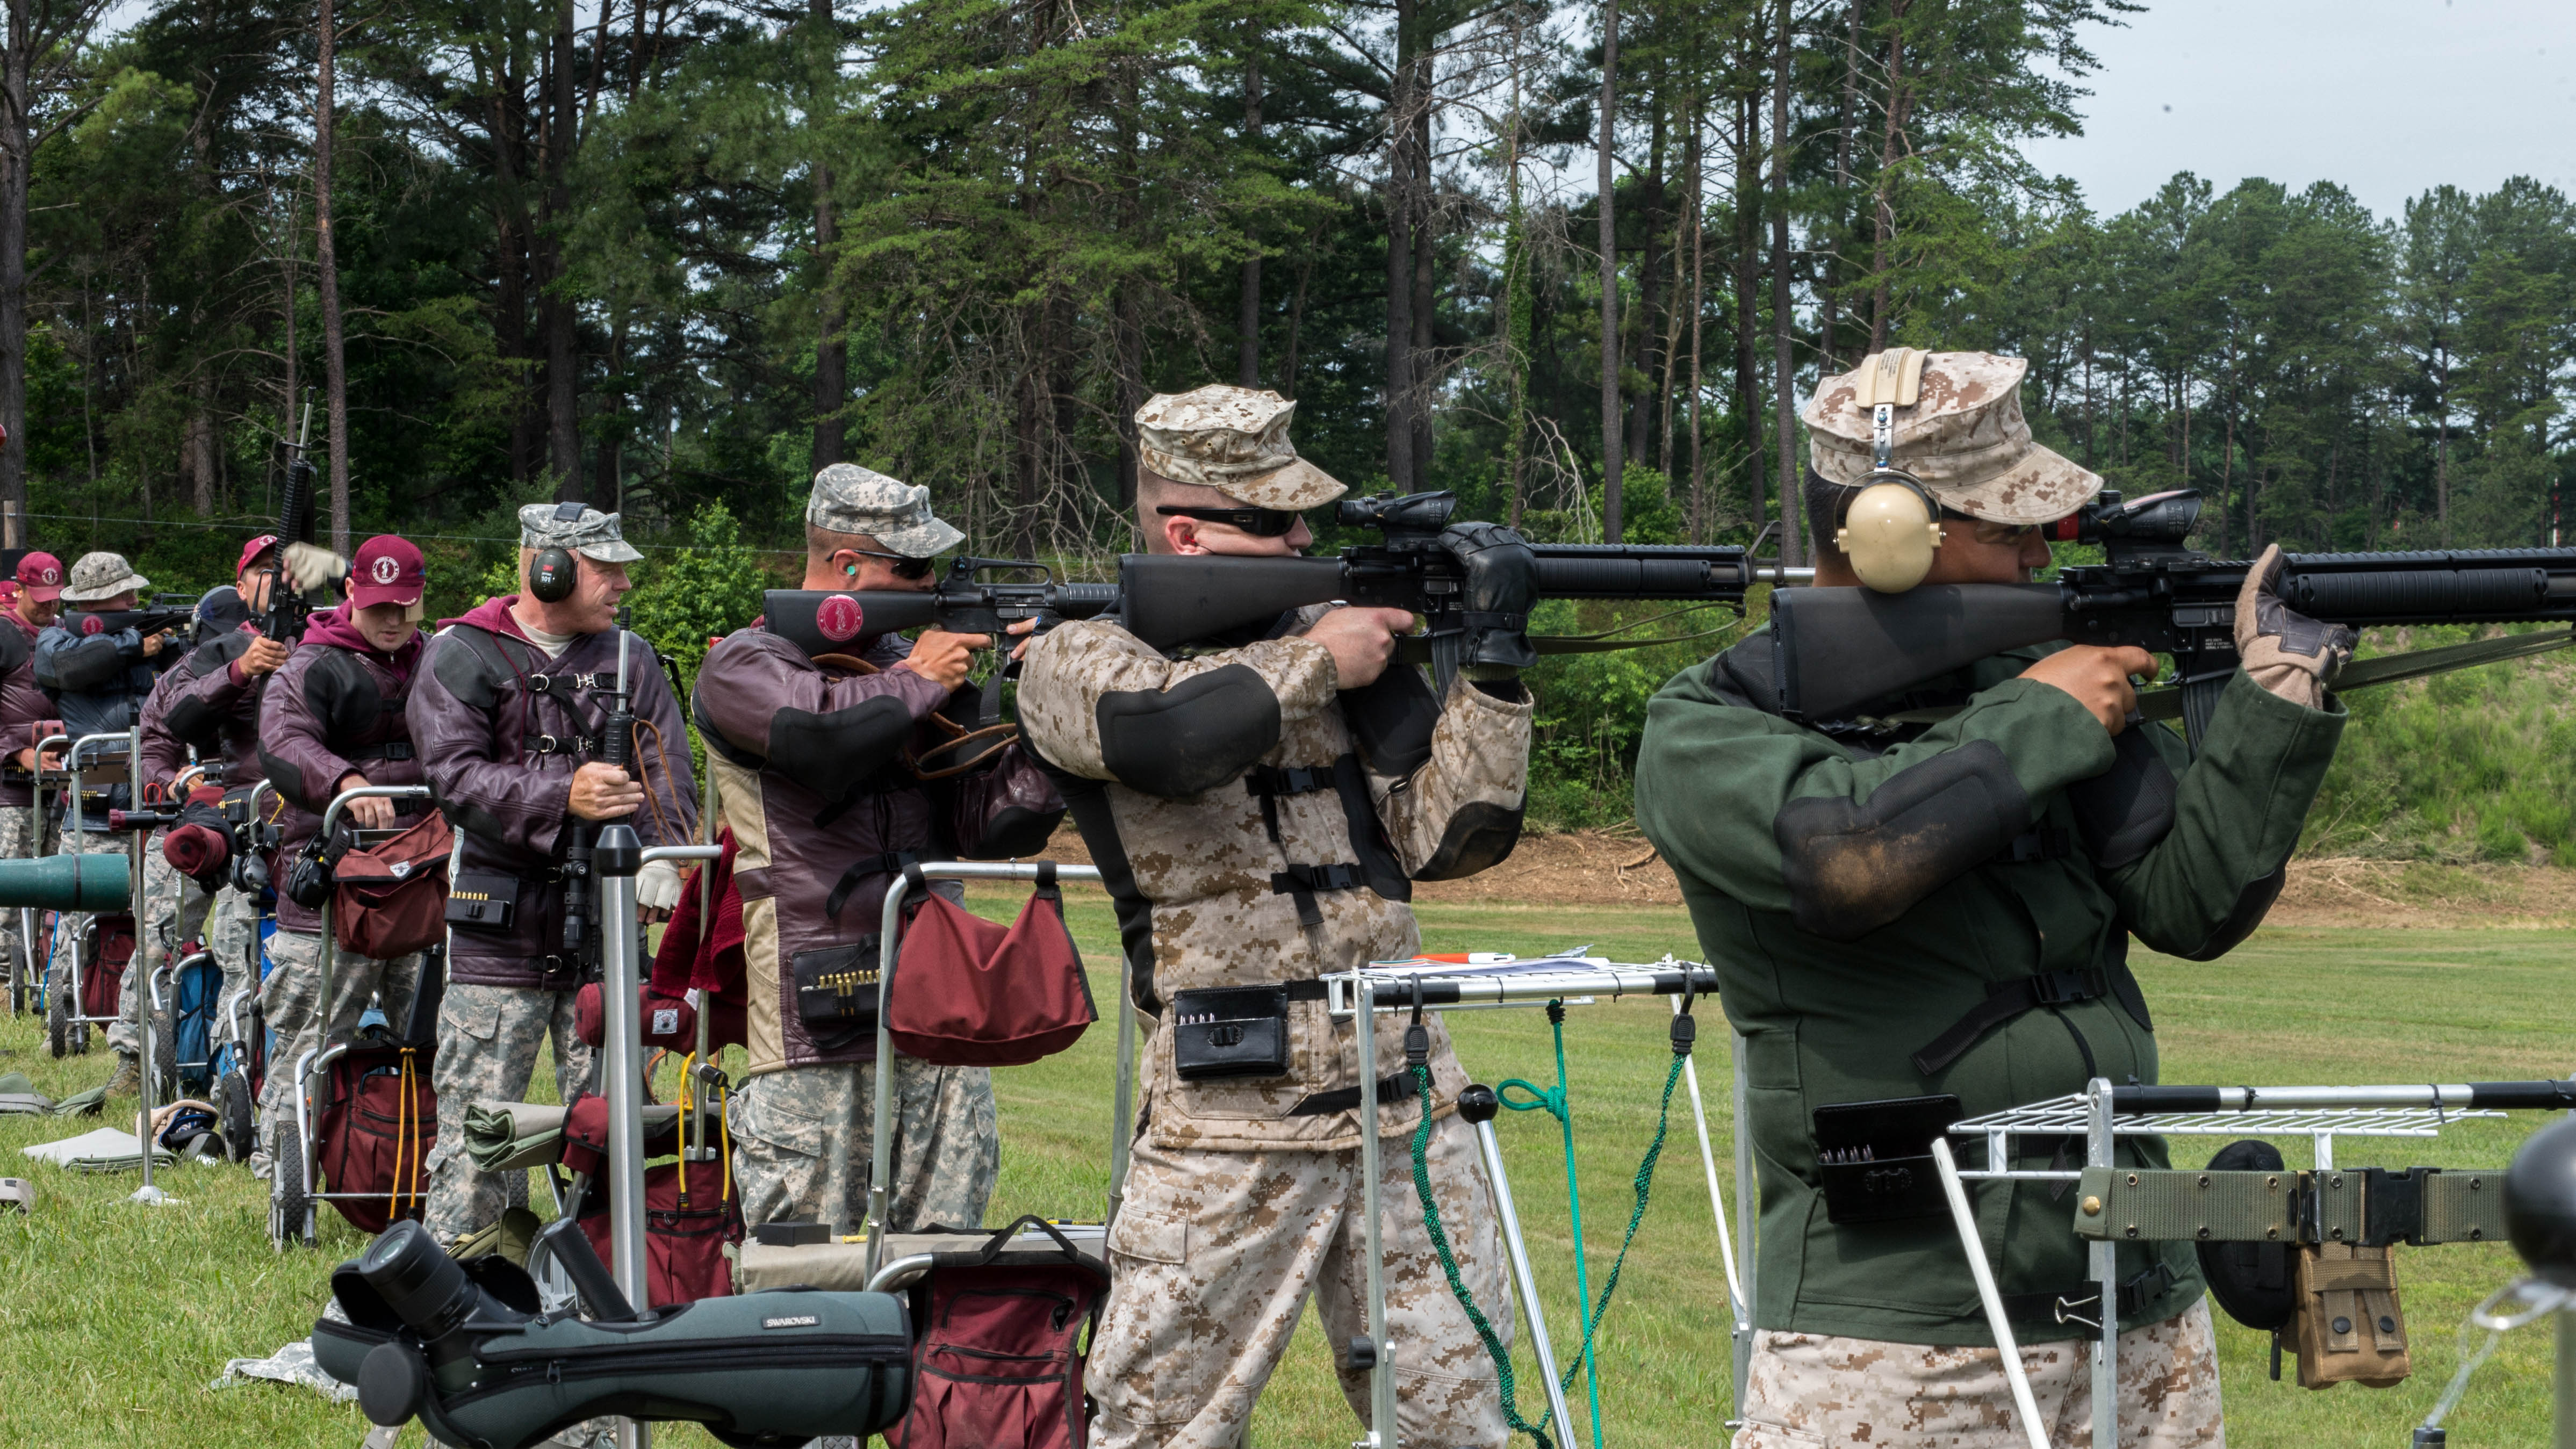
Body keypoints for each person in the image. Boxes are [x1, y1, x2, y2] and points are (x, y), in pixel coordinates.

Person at [1632, 350, 2352, 1448]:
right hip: (1898, 1332)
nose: (2038, 556)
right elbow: (1848, 861)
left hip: (2133, 1302)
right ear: (1883, 530)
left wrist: (2273, 698)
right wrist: (2042, 716)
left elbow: (2194, 905)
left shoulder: (2035, 677)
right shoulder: (1708, 727)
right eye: (2009, 528)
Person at [1017, 385, 1538, 1448]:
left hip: (1407, 1104)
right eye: (1273, 521)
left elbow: (1448, 842)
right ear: (1185, 534)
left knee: (1456, 1422)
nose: (1304, 540)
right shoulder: (1077, 658)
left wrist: (1489, 665)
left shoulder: (1333, 648)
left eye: (1305, 518)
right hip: (1227, 1117)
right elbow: (1167, 741)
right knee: (1163, 1425)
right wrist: (1314, 663)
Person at [692, 465, 1012, 1238]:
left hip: (938, 993)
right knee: (802, 1263)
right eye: (914, 567)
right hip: (813, 1009)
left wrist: (1037, 701)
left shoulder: (914, 669)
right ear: (846, 566)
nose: (931, 584)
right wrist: (917, 680)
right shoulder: (742, 662)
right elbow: (821, 739)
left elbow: (994, 827)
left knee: (944, 1251)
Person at [409, 502, 696, 1248]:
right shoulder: (461, 653)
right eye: (607, 569)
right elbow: (454, 778)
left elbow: (665, 768)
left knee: (620, 1132)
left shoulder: (631, 658)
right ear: (549, 569)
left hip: (609, 931)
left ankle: (615, 1286)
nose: (624, 584)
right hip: (497, 935)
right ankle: (463, 1284)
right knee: (477, 1138)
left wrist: (664, 857)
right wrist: (561, 793)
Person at [254, 536, 434, 1173]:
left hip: (422, 887)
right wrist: (344, 781)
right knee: (310, 1044)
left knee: (439, 1044)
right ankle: (282, 1173)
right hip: (332, 893)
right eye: (378, 605)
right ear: (352, 593)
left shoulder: (440, 659)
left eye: (404, 606)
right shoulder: (309, 666)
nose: (392, 619)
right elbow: (283, 738)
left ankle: (423, 1172)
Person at [134, 535, 290, 1103]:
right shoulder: (207, 659)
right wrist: (174, 784)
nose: (275, 580)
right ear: (241, 585)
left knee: (263, 958)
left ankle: (273, 1083)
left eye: (284, 570)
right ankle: (140, 1053)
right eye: (263, 571)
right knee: (165, 939)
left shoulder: (321, 642)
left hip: (287, 821)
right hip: (206, 821)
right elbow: (163, 728)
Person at [33, 552, 185, 1096]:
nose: (134, 604)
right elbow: (67, 670)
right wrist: (131, 644)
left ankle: (143, 1029)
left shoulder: (157, 641)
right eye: (125, 598)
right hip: (96, 803)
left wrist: (164, 647)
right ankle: (64, 1008)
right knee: (79, 920)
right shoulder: (57, 640)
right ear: (96, 603)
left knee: (156, 923)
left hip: (155, 798)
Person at [0, 553, 63, 1000]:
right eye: (39, 597)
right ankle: (4, 985)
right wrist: (17, 753)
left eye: (54, 597)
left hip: (61, 786)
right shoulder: (4, 634)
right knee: (9, 891)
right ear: (18, 590)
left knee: (56, 888)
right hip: (11, 789)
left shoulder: (64, 634)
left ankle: (47, 983)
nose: (48, 605)